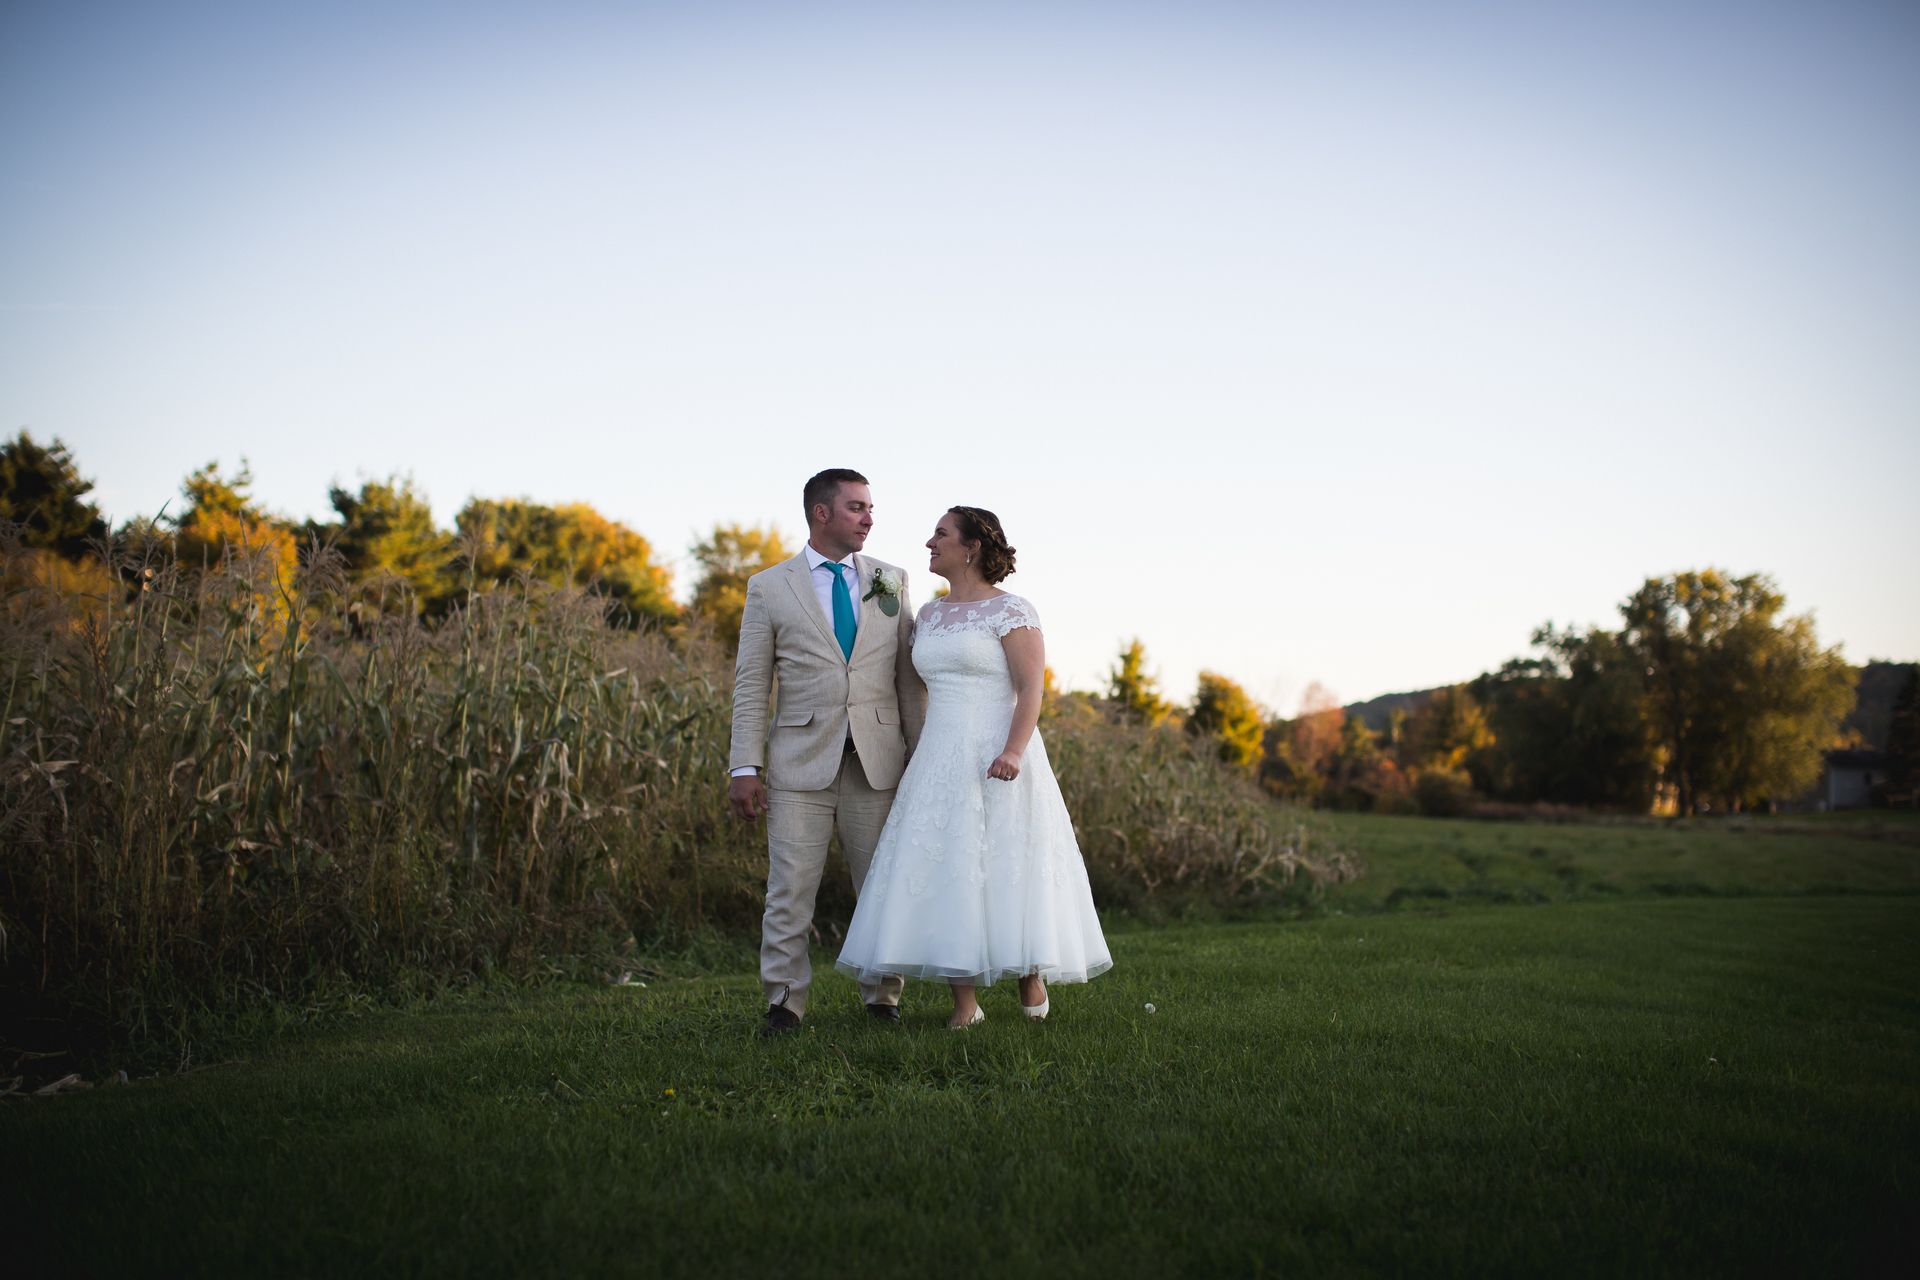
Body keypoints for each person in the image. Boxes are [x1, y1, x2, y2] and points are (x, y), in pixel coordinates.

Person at [835, 506, 1111, 1028]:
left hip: (1000, 749)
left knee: (1010, 858)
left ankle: (1030, 970)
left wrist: (1013, 750)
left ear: (973, 547)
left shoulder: (1012, 610)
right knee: (944, 867)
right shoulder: (930, 617)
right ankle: (965, 1004)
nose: (929, 543)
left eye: (940, 534)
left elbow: (1031, 688)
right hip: (939, 753)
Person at [728, 468, 926, 1036]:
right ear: (822, 513)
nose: (870, 518)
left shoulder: (891, 579)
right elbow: (750, 683)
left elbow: (906, 678)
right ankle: (785, 1004)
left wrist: (919, 754)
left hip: (879, 758)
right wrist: (746, 766)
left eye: (870, 507)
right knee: (789, 890)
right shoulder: (769, 586)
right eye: (858, 507)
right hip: (797, 763)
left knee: (880, 887)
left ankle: (883, 998)